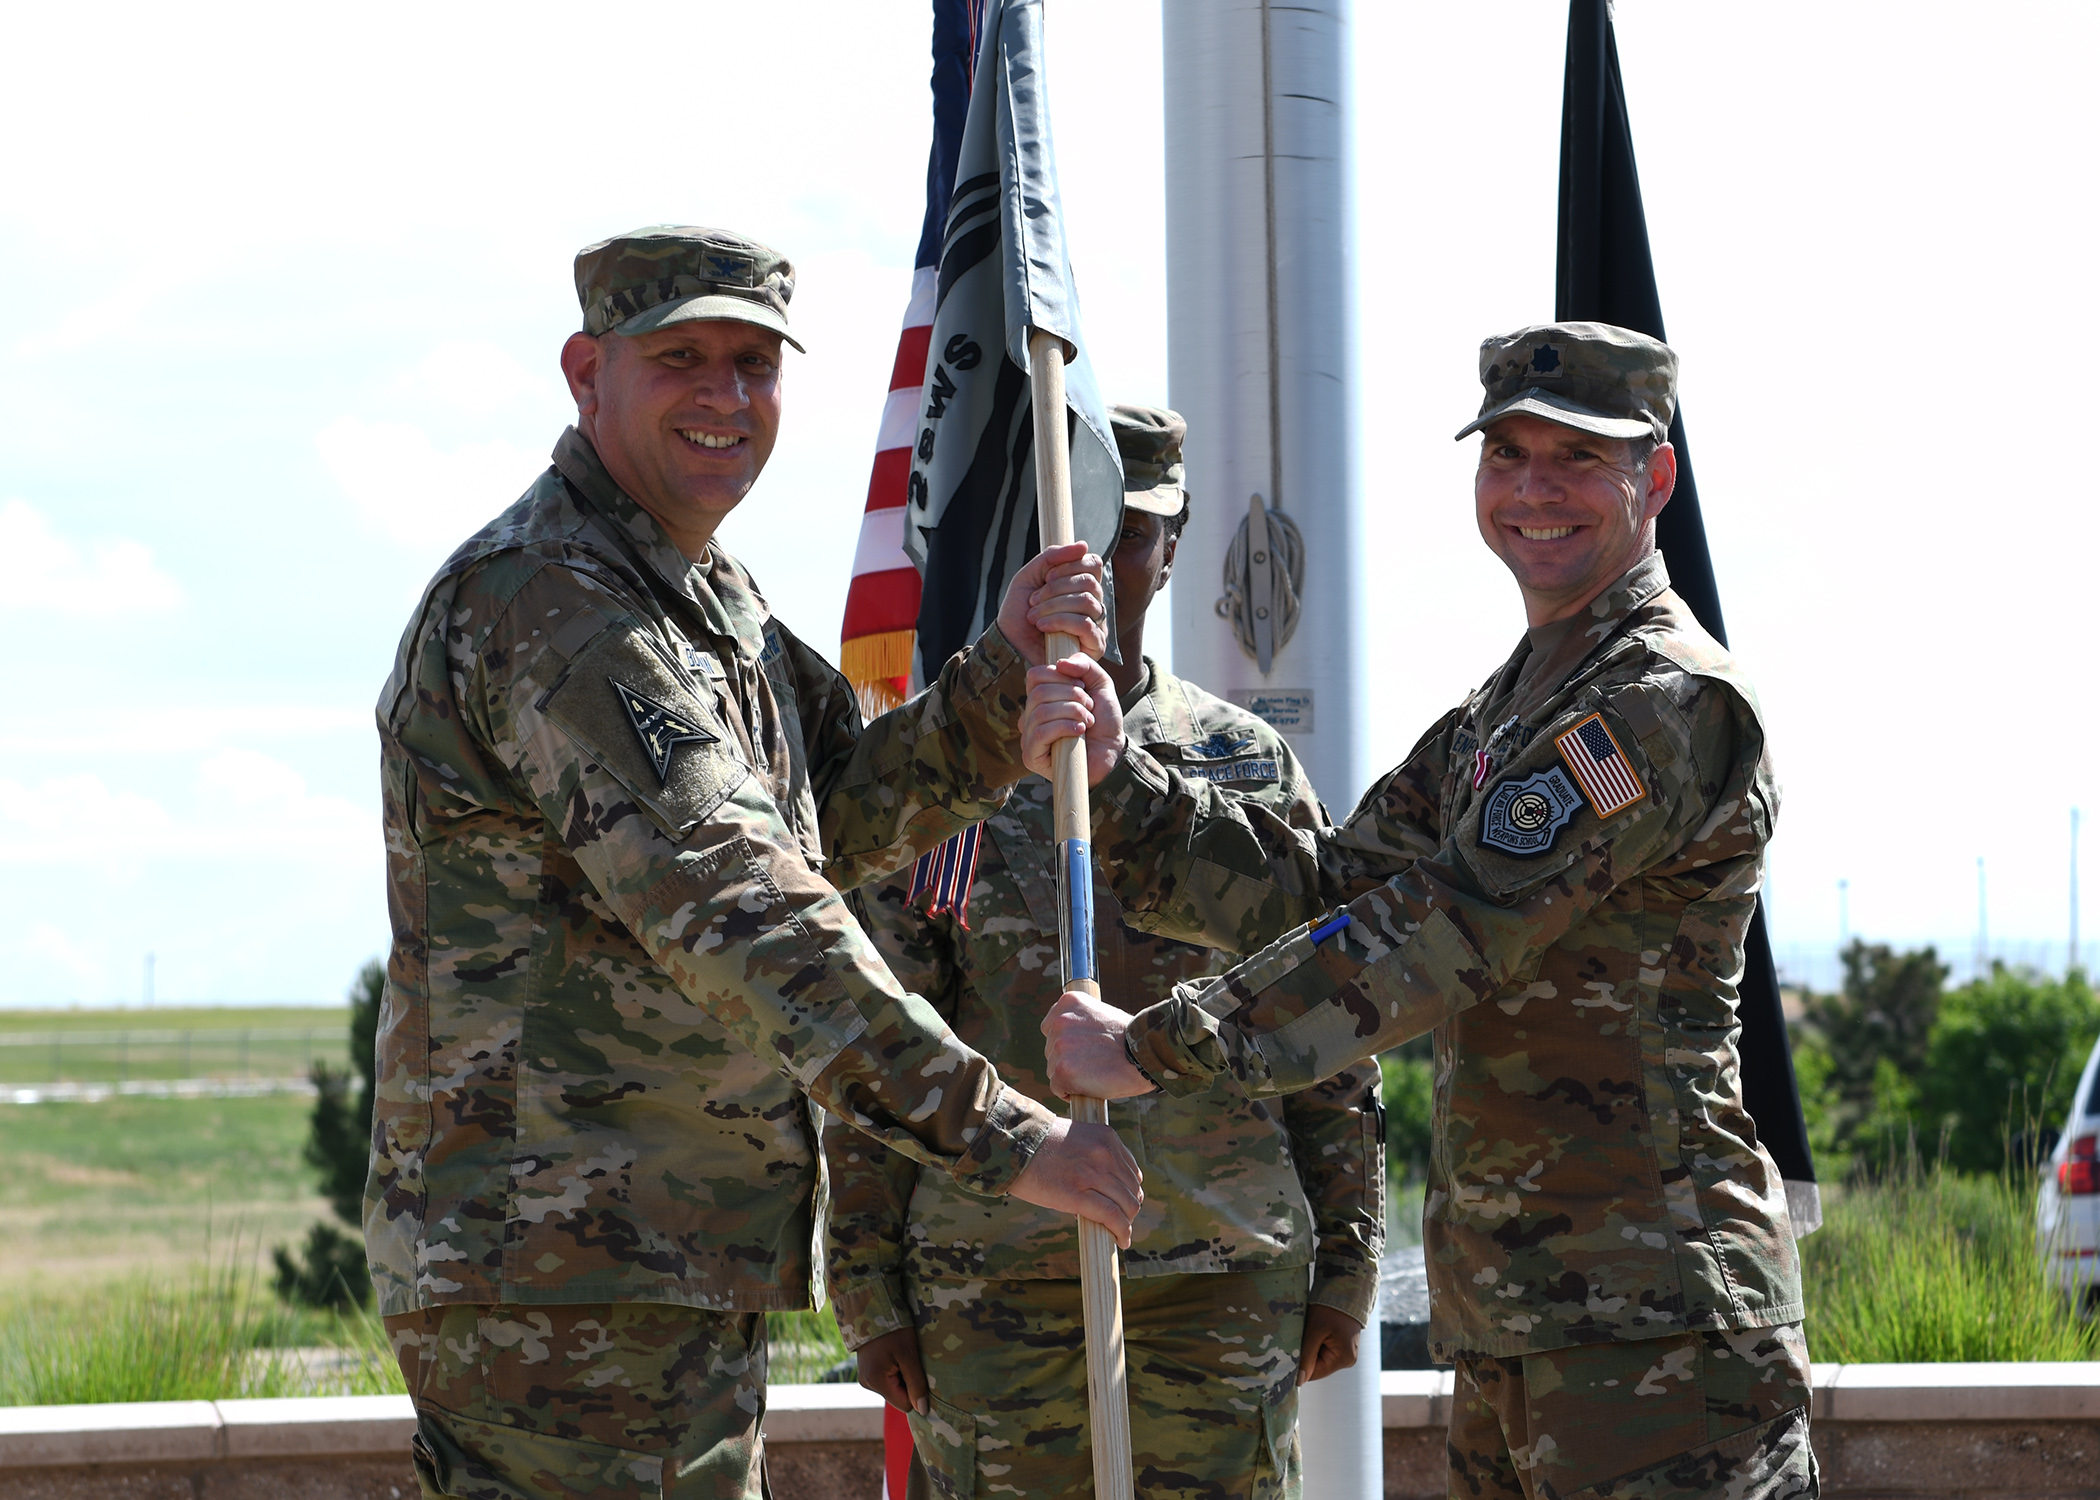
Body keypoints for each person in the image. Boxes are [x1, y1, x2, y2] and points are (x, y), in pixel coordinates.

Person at [367, 224, 1143, 1500]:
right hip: (558, 1258)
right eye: (683, 359)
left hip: (644, 1247)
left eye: (755, 363)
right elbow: (741, 901)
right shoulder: (556, 603)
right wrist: (1002, 1134)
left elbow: (832, 805)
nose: (727, 397)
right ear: (587, 372)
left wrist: (1003, 683)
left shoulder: (697, 596)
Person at [1031, 324, 1815, 1500]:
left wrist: (1153, 1048)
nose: (1533, 490)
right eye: (1508, 455)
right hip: (1524, 1322)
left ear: (1653, 479)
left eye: (1577, 459)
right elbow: (1330, 887)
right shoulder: (1511, 702)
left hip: (1656, 1327)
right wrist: (1121, 780)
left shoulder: (1658, 705)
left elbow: (1434, 937)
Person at [824, 405, 1384, 1500]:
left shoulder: (1243, 762)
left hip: (1219, 1265)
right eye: (1074, 534)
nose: (1102, 564)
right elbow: (878, 1028)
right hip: (996, 1274)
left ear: (1172, 549)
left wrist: (1350, 1266)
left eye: (1132, 534)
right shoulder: (954, 766)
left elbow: (1325, 1009)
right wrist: (869, 1290)